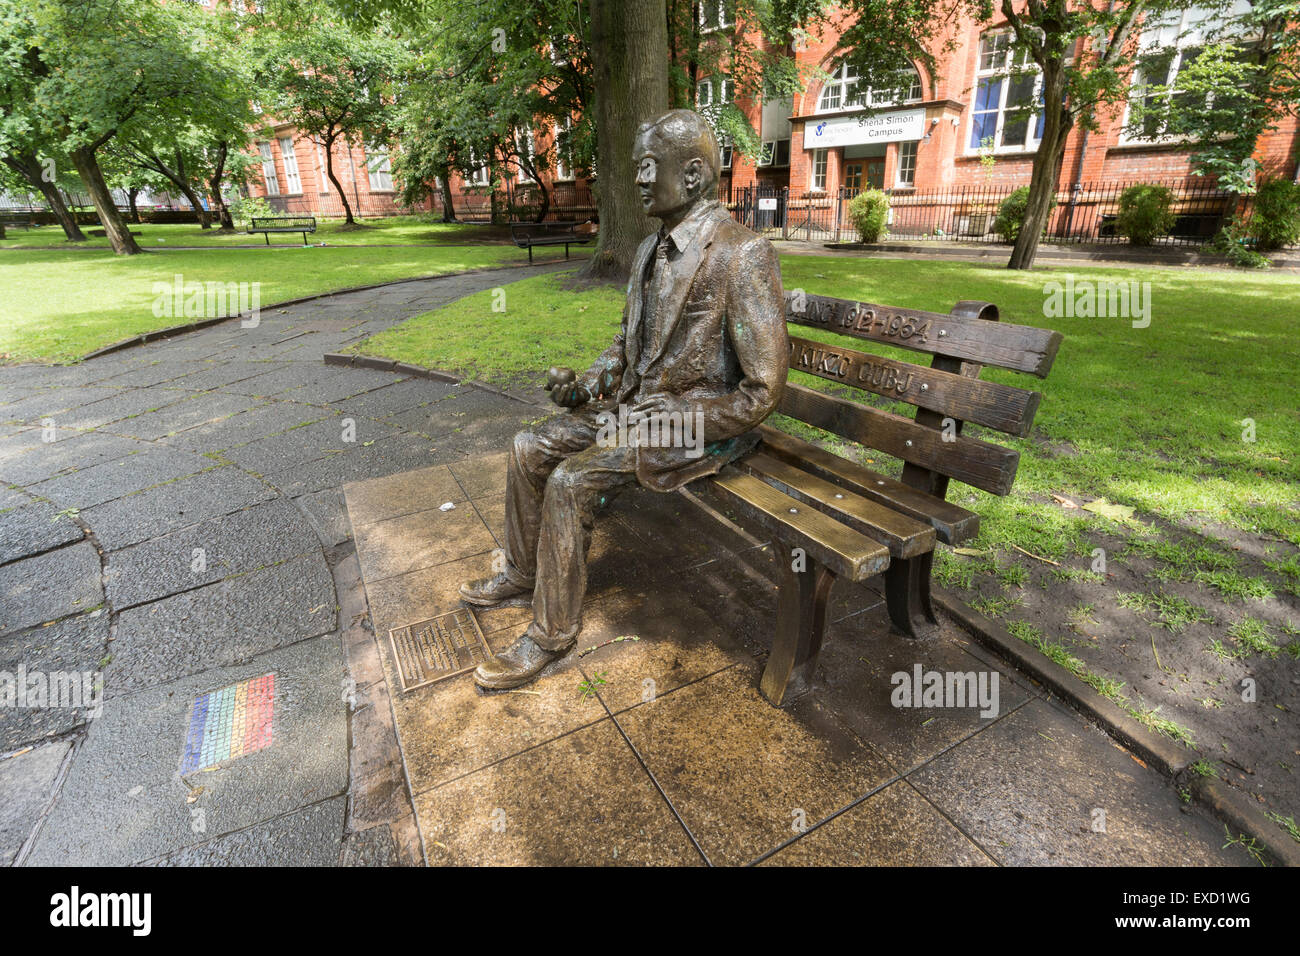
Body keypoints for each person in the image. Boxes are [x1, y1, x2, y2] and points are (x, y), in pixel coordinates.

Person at [460, 109, 788, 689]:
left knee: (571, 480)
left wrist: (686, 417)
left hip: (694, 429)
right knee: (528, 446)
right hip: (630, 413)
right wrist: (586, 386)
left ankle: (549, 635)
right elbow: (625, 346)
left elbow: (762, 390)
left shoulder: (742, 254)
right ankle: (519, 570)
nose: (637, 179)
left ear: (690, 175)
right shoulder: (645, 251)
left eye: (646, 167)